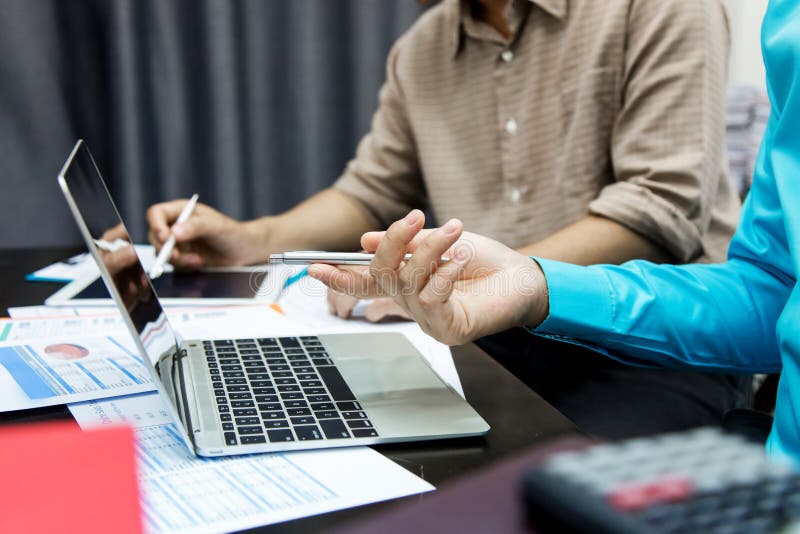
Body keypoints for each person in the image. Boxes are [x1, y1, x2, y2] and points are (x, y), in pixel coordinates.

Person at [148, 0, 747, 437]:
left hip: (646, 348)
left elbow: (656, 208)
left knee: (546, 495)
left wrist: (466, 283)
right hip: (487, 340)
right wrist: (252, 239)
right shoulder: (422, 48)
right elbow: (371, 188)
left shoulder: (662, 8)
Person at [306, 0, 800, 463]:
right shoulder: (420, 49)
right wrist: (528, 285)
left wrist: (518, 282)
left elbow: (656, 206)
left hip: (653, 356)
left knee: (522, 488)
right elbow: (773, 287)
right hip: (497, 333)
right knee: (363, 441)